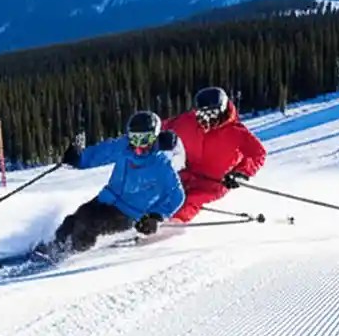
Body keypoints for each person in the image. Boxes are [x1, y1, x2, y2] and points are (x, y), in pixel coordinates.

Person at [48, 111, 185, 255]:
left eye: (145, 140)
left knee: (88, 224)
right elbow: (102, 153)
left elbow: (177, 196)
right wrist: (79, 159)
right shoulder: (124, 146)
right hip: (107, 199)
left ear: (154, 137)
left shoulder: (161, 163)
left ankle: (69, 253)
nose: (138, 146)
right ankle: (54, 247)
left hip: (129, 213)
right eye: (134, 138)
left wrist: (156, 216)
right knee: (74, 219)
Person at [163, 86, 267, 223]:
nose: (206, 119)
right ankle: (137, 220)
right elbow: (163, 127)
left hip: (214, 183)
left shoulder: (236, 133)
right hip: (186, 175)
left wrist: (241, 173)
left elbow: (258, 154)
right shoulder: (187, 122)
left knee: (190, 200)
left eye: (211, 113)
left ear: (222, 110)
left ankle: (171, 226)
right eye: (201, 114)